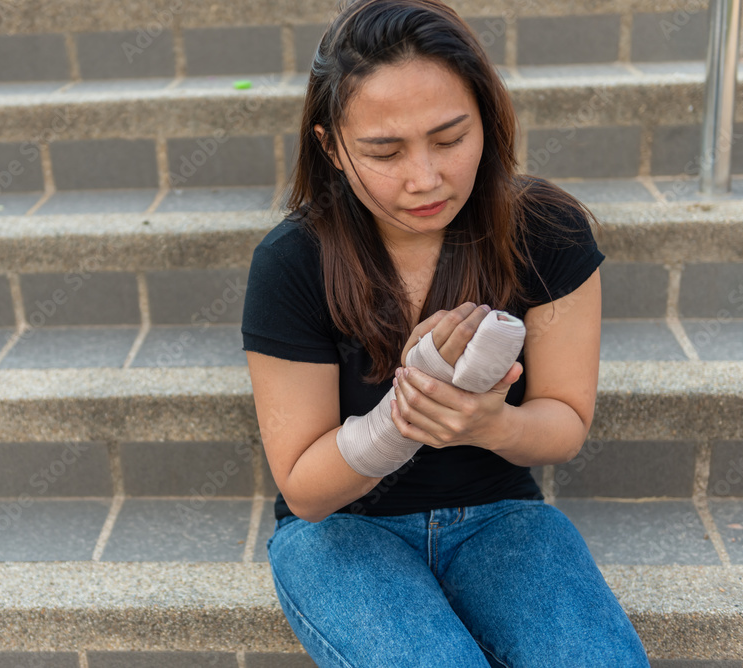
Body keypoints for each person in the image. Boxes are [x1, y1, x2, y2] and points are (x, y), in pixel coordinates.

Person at [240, 0, 652, 666]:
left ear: (487, 120)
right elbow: (306, 489)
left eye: (451, 138)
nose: (426, 178)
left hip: (500, 517)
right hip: (343, 529)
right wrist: (410, 414)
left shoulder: (547, 232)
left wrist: (487, 424)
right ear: (331, 148)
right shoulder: (293, 261)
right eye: (384, 151)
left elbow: (565, 422)